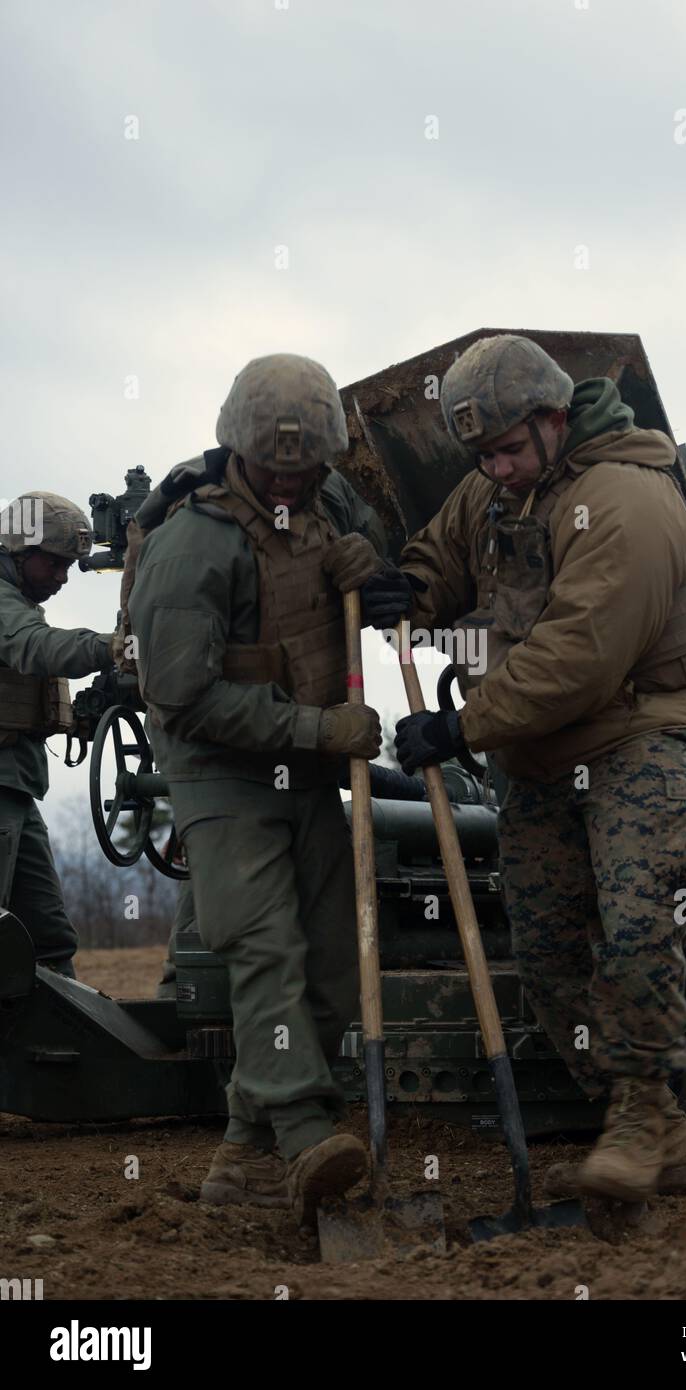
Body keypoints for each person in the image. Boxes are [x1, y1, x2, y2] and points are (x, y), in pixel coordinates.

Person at [360, 333, 686, 1203]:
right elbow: (447, 553)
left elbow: (581, 655)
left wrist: (460, 727)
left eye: (511, 449)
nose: (498, 468)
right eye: (483, 454)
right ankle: (655, 1130)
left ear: (557, 419)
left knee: (640, 921)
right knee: (547, 949)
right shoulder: (494, 485)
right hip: (541, 749)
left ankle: (640, 1117)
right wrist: (406, 589)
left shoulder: (629, 500)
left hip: (644, 728)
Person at [128, 354, 388, 1226]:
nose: (289, 478)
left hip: (303, 772)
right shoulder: (191, 546)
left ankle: (242, 1155)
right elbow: (182, 696)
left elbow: (372, 564)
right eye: (274, 463)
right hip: (220, 773)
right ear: (236, 446)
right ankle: (307, 1130)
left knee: (330, 957)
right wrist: (318, 730)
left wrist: (368, 563)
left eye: (304, 465)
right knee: (263, 948)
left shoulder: (331, 502)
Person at [0, 493, 115, 977]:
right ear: (20, 550)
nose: (63, 578)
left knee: (47, 938)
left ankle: (61, 1046)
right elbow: (35, 648)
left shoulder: (20, 602)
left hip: (16, 789)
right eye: (55, 564)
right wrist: (115, 647)